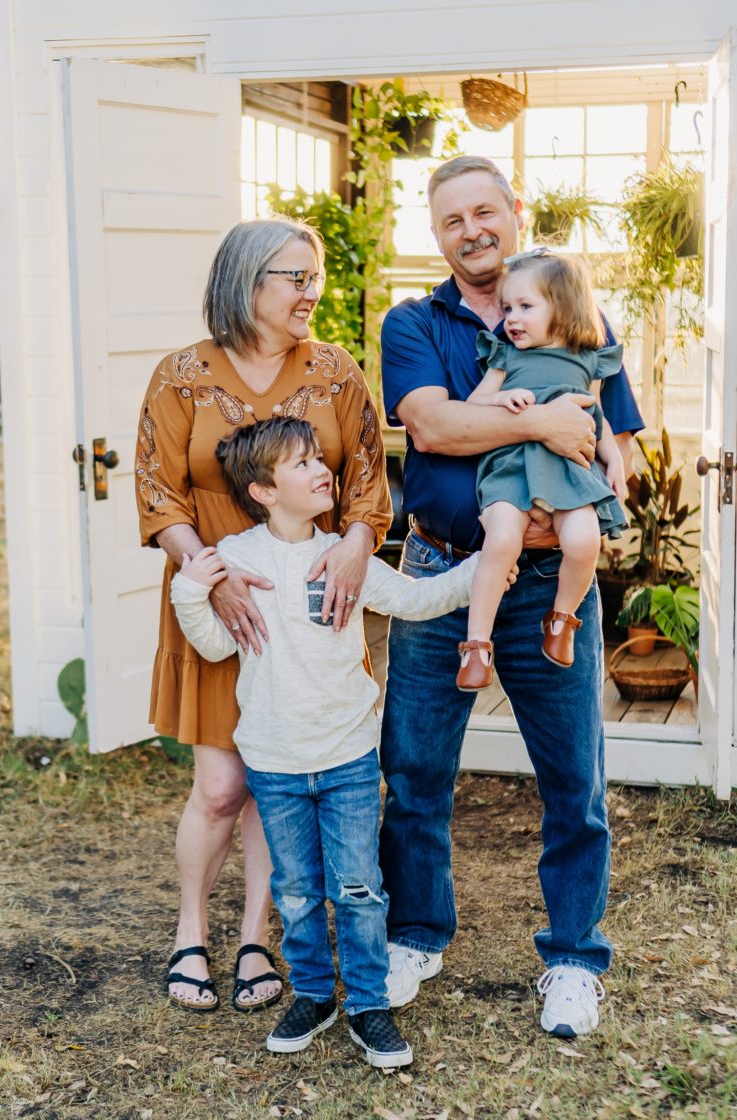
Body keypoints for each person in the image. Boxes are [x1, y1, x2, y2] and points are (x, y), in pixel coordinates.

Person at [379, 156, 644, 1038]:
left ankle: (572, 959)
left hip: (548, 584)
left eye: (484, 211)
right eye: (452, 220)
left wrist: (602, 464)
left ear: (513, 212)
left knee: (575, 781)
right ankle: (415, 935)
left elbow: (622, 446)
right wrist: (539, 422)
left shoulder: (578, 311)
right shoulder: (414, 322)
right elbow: (433, 424)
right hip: (436, 570)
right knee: (416, 772)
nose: (472, 230)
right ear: (438, 234)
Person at [134, 218, 391, 1014]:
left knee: (276, 775)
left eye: (314, 277)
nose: (311, 291)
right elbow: (156, 489)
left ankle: (254, 936)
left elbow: (368, 481)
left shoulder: (336, 371)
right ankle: (188, 933)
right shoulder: (180, 375)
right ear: (246, 283)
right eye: (295, 277)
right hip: (215, 591)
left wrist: (354, 545)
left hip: (308, 604)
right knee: (222, 783)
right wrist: (207, 575)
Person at [169, 416, 482, 1068]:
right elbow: (214, 643)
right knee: (297, 892)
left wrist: (487, 565)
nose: (322, 471)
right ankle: (314, 994)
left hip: (346, 756)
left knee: (360, 887)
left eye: (320, 459)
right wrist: (192, 589)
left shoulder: (346, 553)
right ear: (262, 490)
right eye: (303, 463)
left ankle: (368, 1005)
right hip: (275, 762)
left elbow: (418, 600)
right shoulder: (239, 559)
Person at [457, 249, 628, 691]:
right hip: (511, 470)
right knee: (502, 542)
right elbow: (472, 406)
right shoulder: (505, 357)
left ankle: (562, 618)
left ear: (564, 306)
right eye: (508, 307)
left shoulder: (588, 360)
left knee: (584, 539)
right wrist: (499, 401)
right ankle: (477, 644)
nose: (512, 318)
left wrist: (615, 462)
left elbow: (598, 418)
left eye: (525, 307)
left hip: (569, 471)